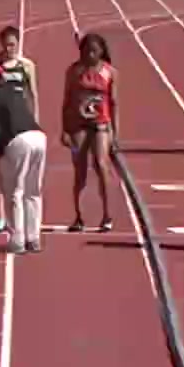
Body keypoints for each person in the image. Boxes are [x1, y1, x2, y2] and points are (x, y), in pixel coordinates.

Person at [0, 61, 48, 253]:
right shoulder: (15, 89)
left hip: (17, 140)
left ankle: (17, 240)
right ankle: (33, 238)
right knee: (33, 191)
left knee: (14, 192)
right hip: (38, 136)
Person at [62, 33, 118, 233]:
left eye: (94, 51)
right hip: (78, 125)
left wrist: (115, 133)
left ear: (101, 51)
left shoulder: (109, 72)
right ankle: (78, 216)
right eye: (86, 51)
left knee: (101, 165)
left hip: (101, 124)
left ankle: (107, 215)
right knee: (80, 171)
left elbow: (114, 103)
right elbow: (67, 100)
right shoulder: (74, 71)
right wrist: (65, 129)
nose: (90, 55)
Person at [0, 26, 37, 233]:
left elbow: (32, 95)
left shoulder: (26, 66)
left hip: (21, 124)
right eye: (6, 45)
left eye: (13, 44)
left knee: (21, 172)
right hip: (0, 124)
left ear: (18, 43)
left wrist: (35, 121)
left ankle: (21, 213)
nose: (10, 48)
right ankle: (0, 215)